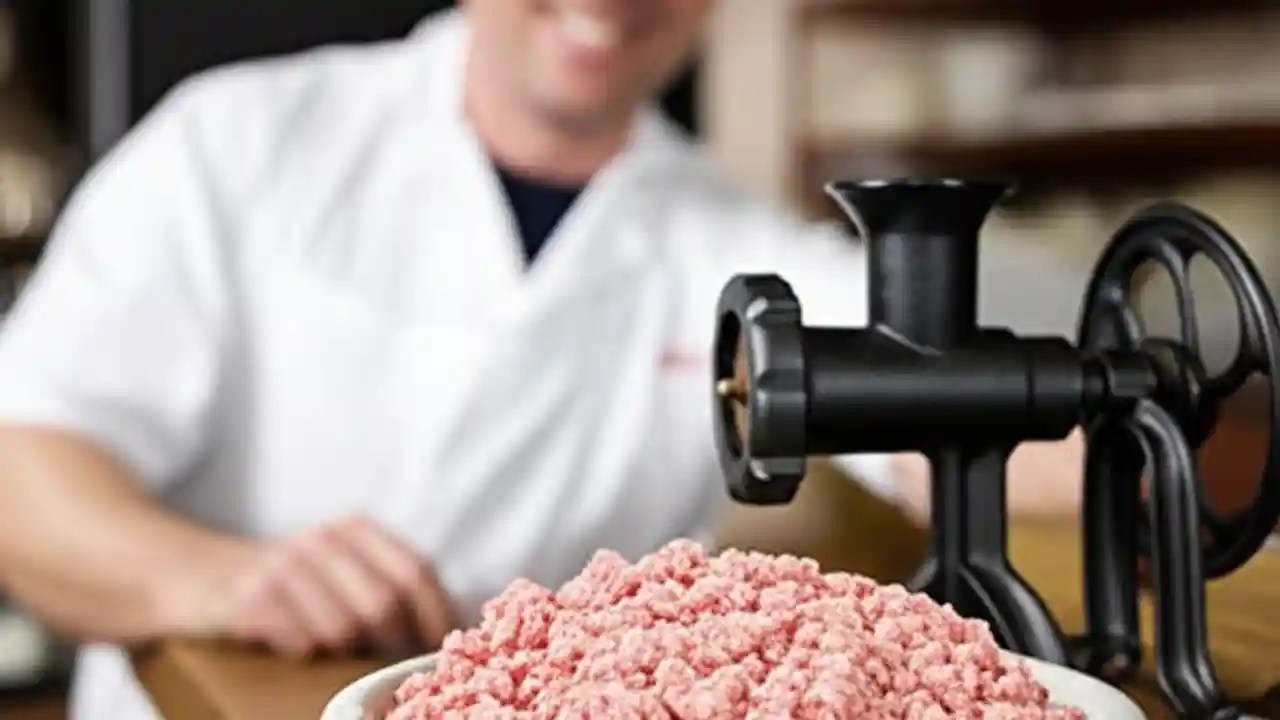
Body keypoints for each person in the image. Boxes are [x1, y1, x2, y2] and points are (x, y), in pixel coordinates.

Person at [0, 2, 1085, 718]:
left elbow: (949, 403)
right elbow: (20, 465)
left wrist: (1118, 414)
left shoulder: (730, 241)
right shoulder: (236, 142)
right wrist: (222, 577)